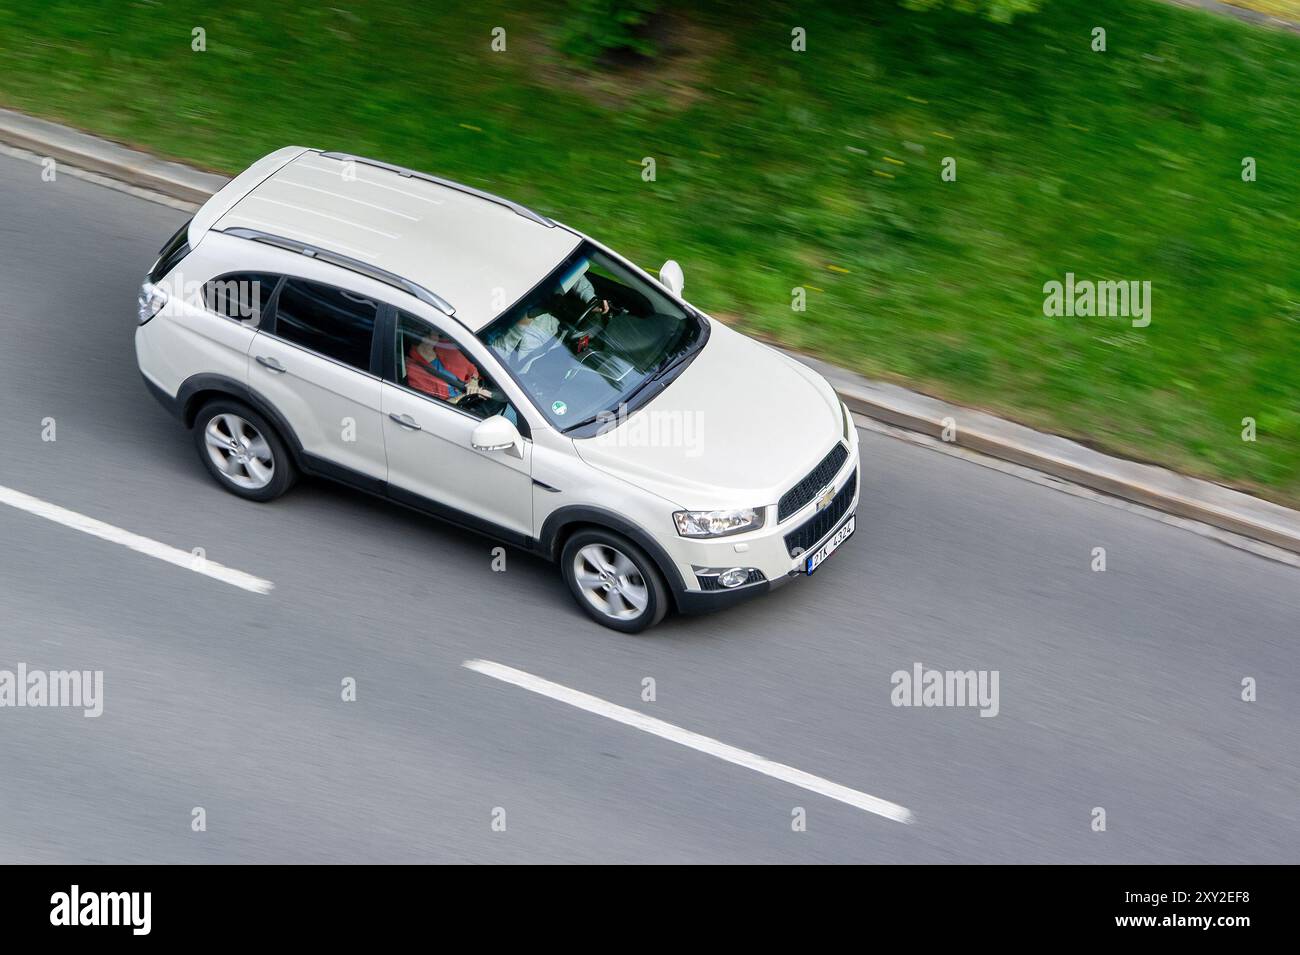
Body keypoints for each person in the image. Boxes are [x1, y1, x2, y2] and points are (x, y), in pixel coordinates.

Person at [406, 331, 490, 404]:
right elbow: (435, 405)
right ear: (422, 337)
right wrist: (464, 395)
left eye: (435, 333)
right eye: (432, 333)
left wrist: (474, 382)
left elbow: (472, 368)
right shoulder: (413, 372)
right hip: (459, 407)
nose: (436, 337)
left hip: (474, 395)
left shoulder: (446, 346)